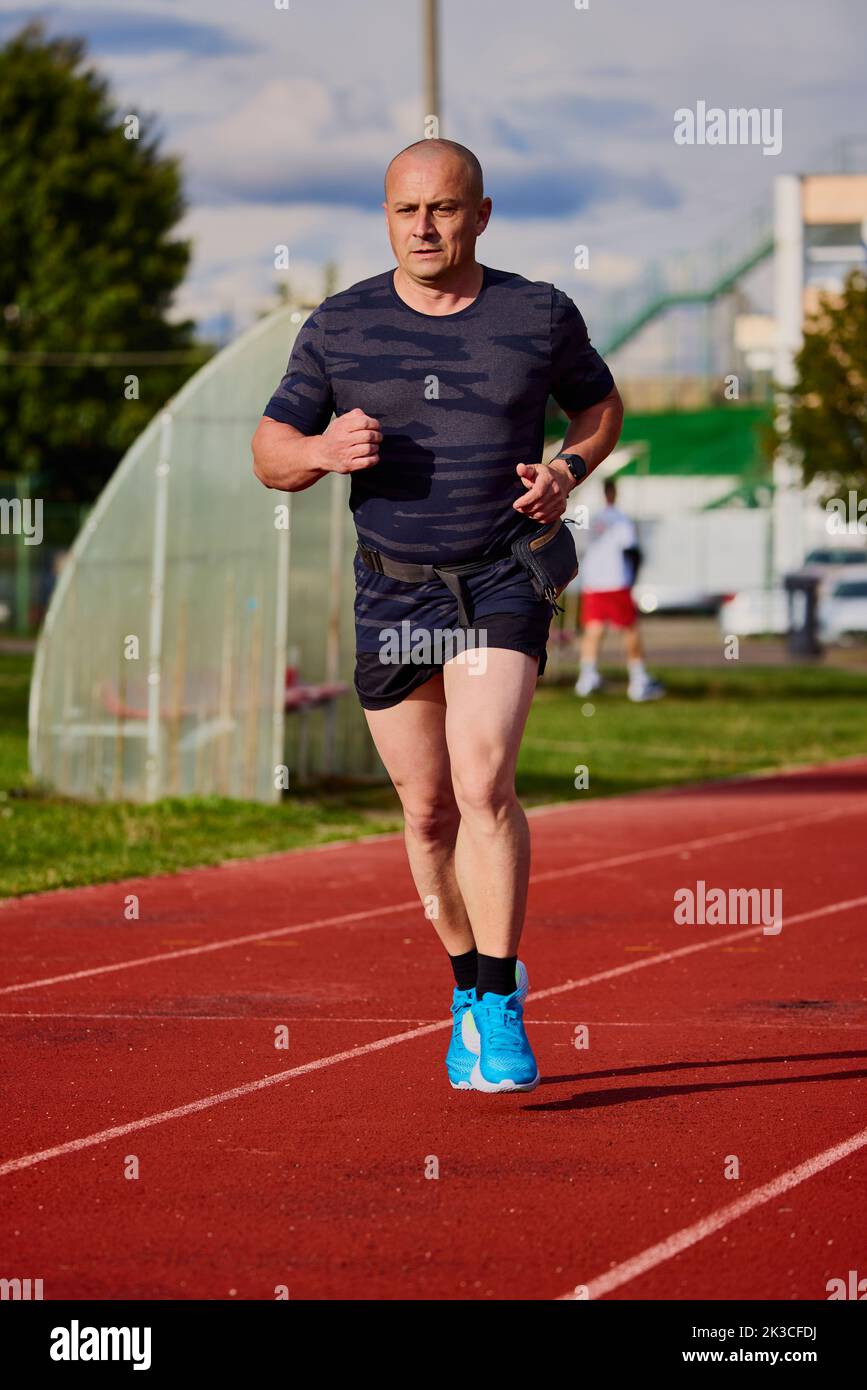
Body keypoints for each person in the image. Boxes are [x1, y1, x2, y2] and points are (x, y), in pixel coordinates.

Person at [252, 139, 622, 1092]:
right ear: (386, 218)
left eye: (444, 210)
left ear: (482, 215)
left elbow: (598, 409)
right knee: (425, 814)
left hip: (500, 574)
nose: (424, 227)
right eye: (406, 211)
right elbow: (269, 452)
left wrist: (566, 472)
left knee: (484, 778)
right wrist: (322, 449)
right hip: (393, 589)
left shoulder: (537, 313)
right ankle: (465, 981)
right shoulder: (339, 326)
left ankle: (499, 1003)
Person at [575, 478, 664, 702]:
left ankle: (587, 677)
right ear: (614, 492)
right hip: (615, 581)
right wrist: (633, 577)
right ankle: (638, 680)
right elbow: (631, 550)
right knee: (630, 630)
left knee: (594, 629)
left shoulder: (589, 519)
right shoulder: (621, 519)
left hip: (593, 582)